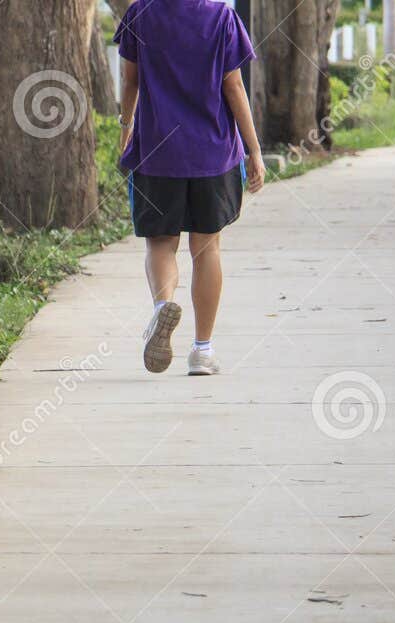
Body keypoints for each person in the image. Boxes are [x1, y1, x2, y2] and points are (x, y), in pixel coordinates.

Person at [115, 0, 267, 377]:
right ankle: (202, 351)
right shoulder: (221, 17)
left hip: (157, 151)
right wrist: (254, 148)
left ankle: (160, 309)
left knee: (161, 242)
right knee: (206, 247)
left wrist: (126, 124)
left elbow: (130, 80)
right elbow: (233, 87)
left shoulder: (140, 14)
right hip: (211, 154)